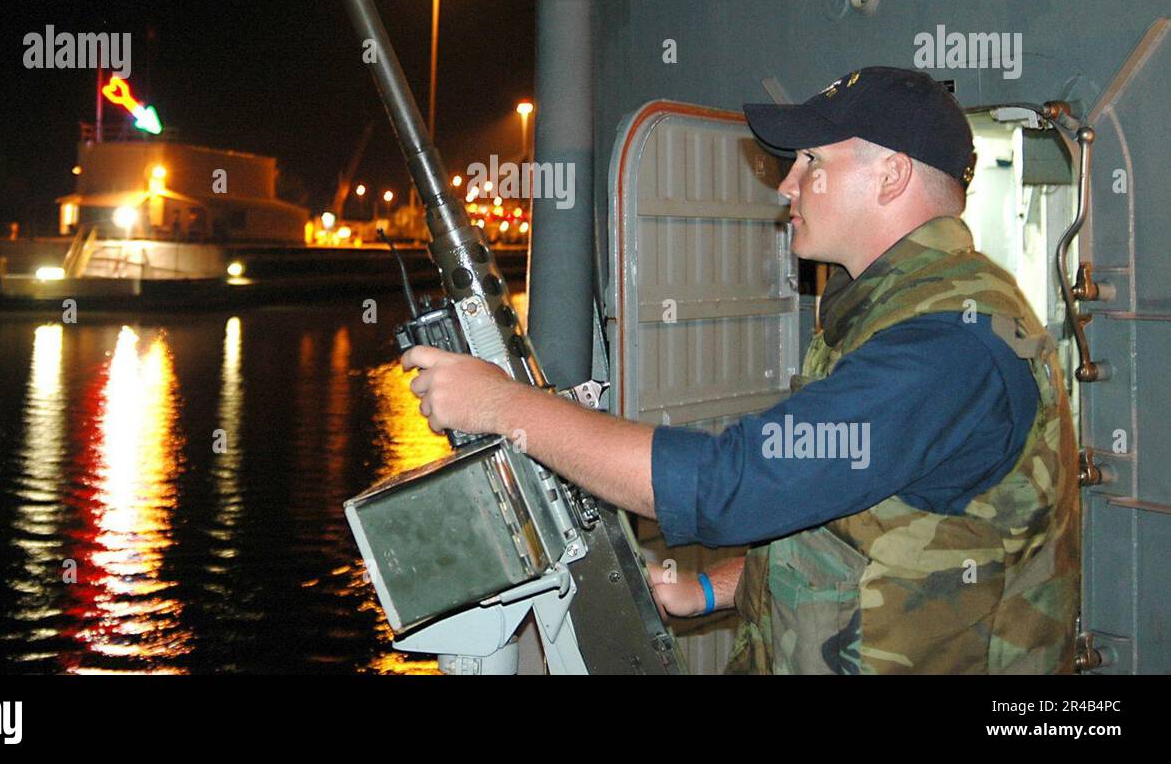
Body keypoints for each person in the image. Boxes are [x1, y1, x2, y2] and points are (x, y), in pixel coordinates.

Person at [402, 66, 1080, 674]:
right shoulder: (905, 312)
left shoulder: (946, 349)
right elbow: (859, 514)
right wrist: (707, 589)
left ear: (892, 175)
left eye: (812, 159)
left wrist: (501, 406)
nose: (788, 182)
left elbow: (731, 483)